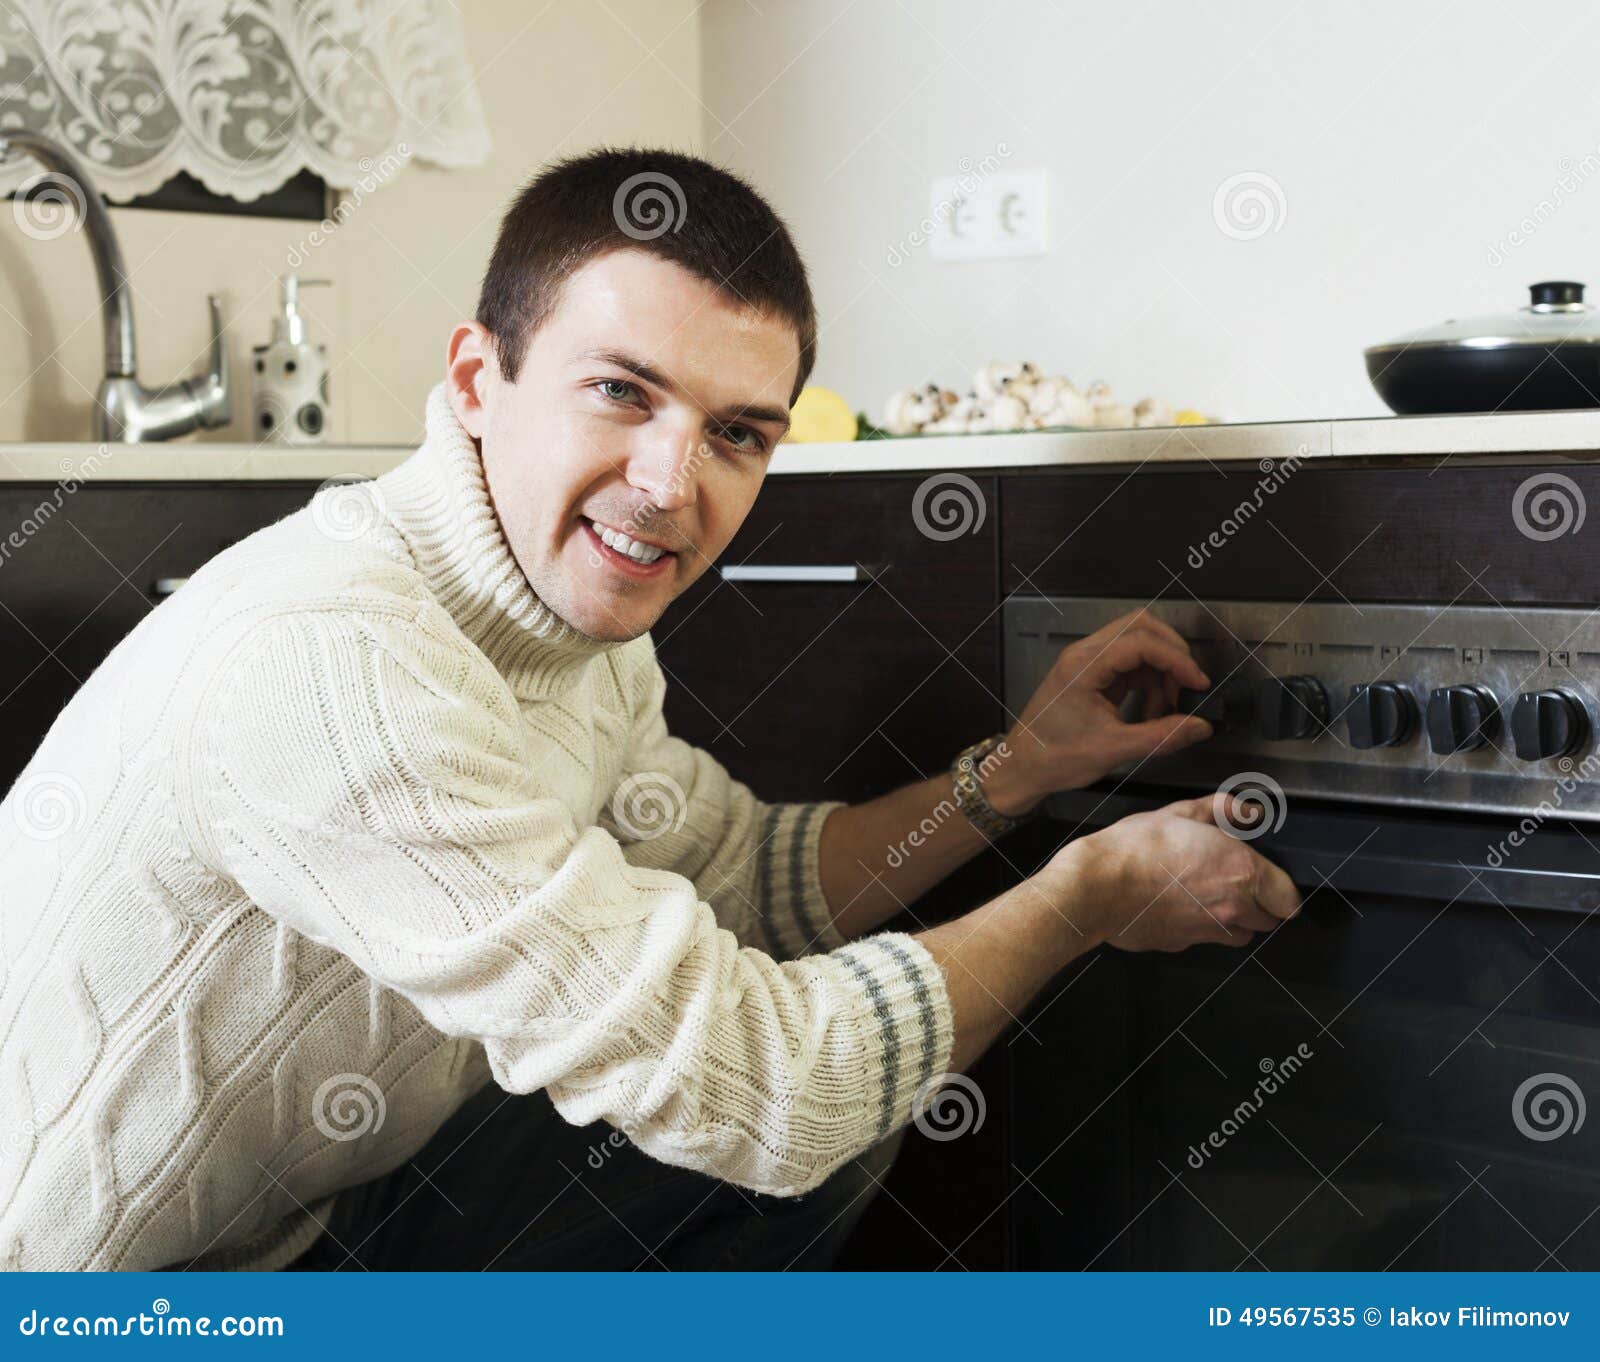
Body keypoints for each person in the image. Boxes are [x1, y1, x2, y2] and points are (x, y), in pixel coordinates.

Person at [0, 148, 1299, 1272]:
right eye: (622, 392)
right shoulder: (335, 663)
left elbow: (740, 875)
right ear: (473, 376)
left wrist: (1012, 773)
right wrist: (1082, 896)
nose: (673, 484)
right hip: (102, 1294)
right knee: (783, 1110)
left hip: (301, 1218)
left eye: (739, 432)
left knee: (802, 1086)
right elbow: (779, 1089)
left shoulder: (570, 621)